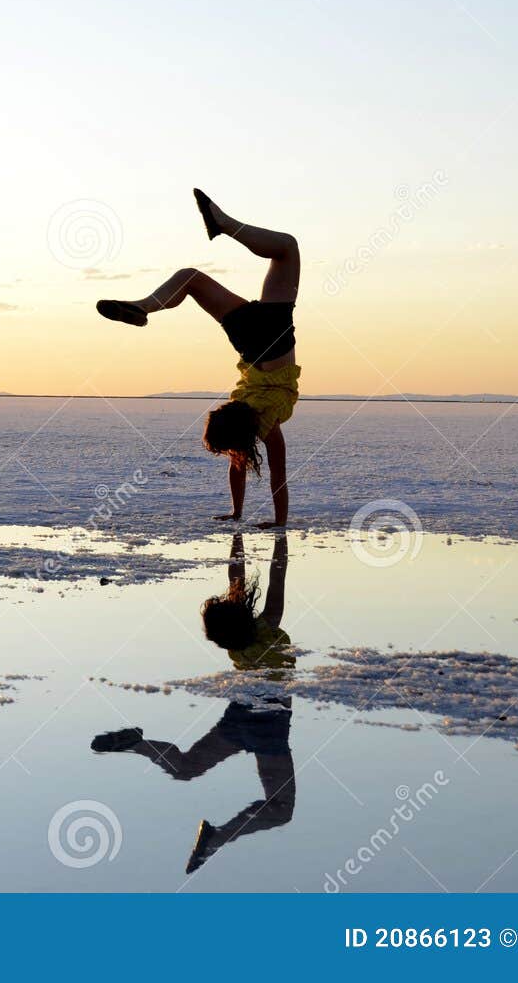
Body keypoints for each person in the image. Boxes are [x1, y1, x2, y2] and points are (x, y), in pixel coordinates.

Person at [92, 533, 295, 873]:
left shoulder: (235, 646)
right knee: (281, 807)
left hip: (241, 715)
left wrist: (239, 535)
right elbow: (274, 574)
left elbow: (239, 578)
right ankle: (216, 838)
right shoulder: (268, 625)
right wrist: (277, 535)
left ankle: (139, 744)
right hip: (269, 723)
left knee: (187, 768)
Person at [97, 188, 299, 527]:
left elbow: (277, 473)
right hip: (249, 343)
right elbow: (265, 472)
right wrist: (259, 519)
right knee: (191, 279)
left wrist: (260, 517)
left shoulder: (262, 423)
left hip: (273, 336)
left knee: (287, 249)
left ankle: (149, 303)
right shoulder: (243, 407)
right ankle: (147, 305)